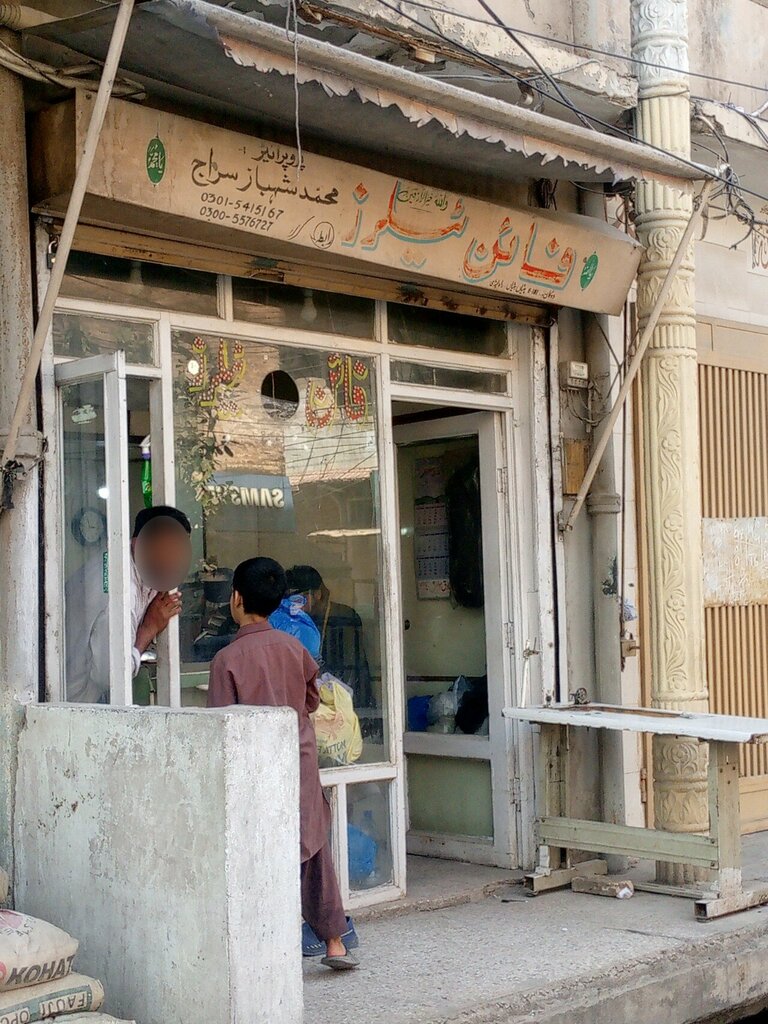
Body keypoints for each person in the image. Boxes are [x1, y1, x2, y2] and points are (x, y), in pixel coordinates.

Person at [207, 557, 359, 971]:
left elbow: (220, 723)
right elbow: (311, 700)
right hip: (300, 761)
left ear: (236, 599)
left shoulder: (227, 660)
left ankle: (264, 948)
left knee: (257, 854)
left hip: (254, 771)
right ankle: (334, 942)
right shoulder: (296, 648)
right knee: (313, 851)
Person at [65, 506, 192, 704]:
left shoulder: (127, 565)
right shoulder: (119, 590)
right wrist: (149, 629)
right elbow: (110, 676)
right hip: (70, 706)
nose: (172, 560)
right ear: (138, 544)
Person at [285, 565, 373, 707]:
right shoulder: (296, 618)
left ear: (317, 595)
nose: (292, 605)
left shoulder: (344, 617)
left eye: (298, 599)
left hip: (341, 699)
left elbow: (350, 669)